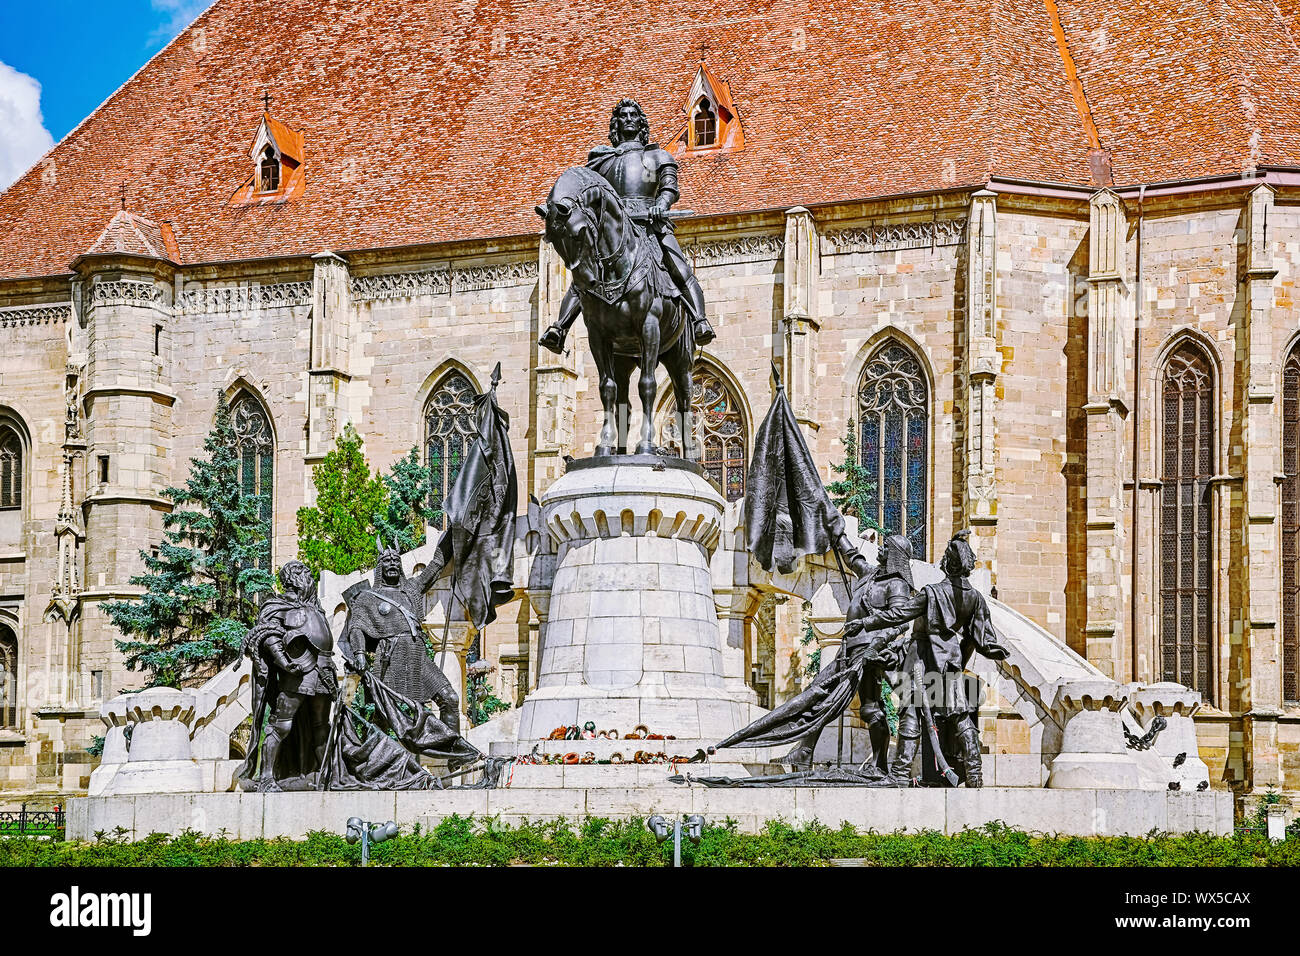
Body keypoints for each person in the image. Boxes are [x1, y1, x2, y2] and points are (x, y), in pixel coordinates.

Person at [713, 535, 916, 772]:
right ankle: (805, 752)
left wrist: (871, 634)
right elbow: (853, 557)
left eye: (886, 546)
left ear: (894, 555)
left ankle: (877, 764)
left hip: (870, 652)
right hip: (849, 650)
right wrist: (837, 532)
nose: (881, 548)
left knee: (857, 704)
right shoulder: (870, 574)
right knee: (824, 696)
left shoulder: (897, 585)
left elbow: (900, 622)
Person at [537, 98, 715, 355]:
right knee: (582, 278)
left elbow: (669, 189)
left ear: (641, 123)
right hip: (614, 232)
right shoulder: (600, 161)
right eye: (623, 115)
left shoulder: (656, 156)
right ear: (616, 123)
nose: (628, 119)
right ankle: (559, 328)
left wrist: (660, 206)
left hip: (650, 226)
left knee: (680, 269)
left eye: (633, 115)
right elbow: (588, 194)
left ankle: (700, 320)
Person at [854, 530, 1010, 787]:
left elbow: (898, 615)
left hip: (919, 658)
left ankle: (900, 774)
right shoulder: (974, 598)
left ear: (947, 563)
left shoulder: (931, 593)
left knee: (910, 715)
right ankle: (975, 774)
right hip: (949, 661)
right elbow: (979, 638)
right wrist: (969, 656)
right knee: (960, 716)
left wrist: (864, 622)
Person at [339, 538, 462, 735]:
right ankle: (369, 761)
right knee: (384, 717)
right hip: (389, 658)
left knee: (450, 698)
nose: (393, 564)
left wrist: (452, 531)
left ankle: (454, 756)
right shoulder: (368, 597)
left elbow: (436, 565)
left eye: (396, 560)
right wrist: (360, 654)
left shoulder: (411, 589)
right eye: (387, 561)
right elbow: (356, 627)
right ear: (379, 566)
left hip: (417, 658)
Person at [240, 560, 337, 792]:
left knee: (322, 726)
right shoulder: (278, 605)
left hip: (323, 670)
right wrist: (284, 661)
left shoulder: (316, 608)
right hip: (298, 671)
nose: (308, 576)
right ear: (292, 577)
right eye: (303, 572)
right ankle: (266, 778)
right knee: (281, 725)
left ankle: (325, 776)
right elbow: (269, 635)